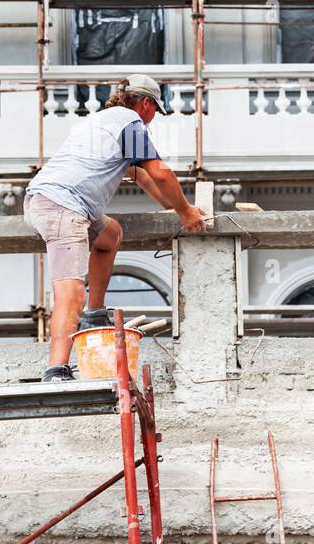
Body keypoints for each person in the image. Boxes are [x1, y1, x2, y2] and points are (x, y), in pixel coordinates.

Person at [24, 74, 207, 382]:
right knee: (70, 292)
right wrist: (186, 212)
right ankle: (55, 369)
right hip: (62, 205)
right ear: (146, 104)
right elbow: (160, 172)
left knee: (110, 235)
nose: (152, 118)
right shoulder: (129, 123)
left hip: (49, 200)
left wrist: (178, 207)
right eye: (154, 110)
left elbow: (143, 176)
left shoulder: (106, 121)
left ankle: (94, 314)